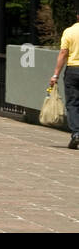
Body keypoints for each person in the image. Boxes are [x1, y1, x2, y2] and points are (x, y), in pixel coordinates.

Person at [50, 10, 79, 150]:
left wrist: (55, 74)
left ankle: (76, 134)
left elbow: (63, 53)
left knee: (73, 103)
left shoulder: (69, 32)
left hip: (73, 70)